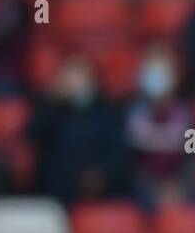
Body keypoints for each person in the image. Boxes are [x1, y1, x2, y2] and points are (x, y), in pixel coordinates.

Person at [28, 55, 130, 205]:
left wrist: (101, 176)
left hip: (102, 188)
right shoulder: (53, 109)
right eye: (70, 76)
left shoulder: (108, 112)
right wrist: (53, 100)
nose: (76, 82)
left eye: (81, 76)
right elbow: (33, 136)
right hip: (56, 189)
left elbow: (119, 154)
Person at [126, 44, 195, 209]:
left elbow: (192, 156)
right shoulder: (132, 115)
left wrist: (180, 187)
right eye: (152, 68)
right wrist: (154, 190)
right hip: (143, 191)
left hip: (180, 189)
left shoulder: (188, 116)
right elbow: (129, 162)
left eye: (162, 68)